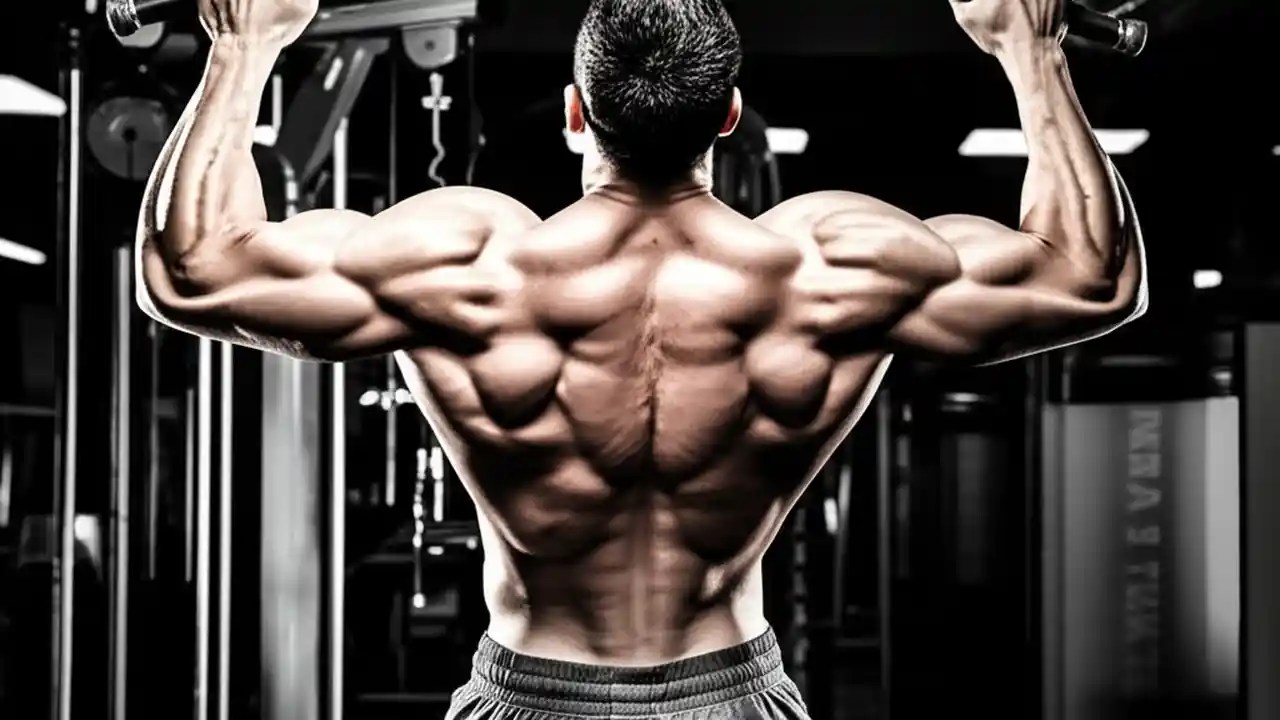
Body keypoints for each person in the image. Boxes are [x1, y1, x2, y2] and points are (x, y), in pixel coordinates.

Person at [134, 0, 1147, 717]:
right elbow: (1091, 278)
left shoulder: (470, 264)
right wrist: (1030, 49)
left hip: (530, 687)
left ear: (577, 111)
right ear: (729, 114)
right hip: (730, 691)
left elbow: (188, 274)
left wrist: (245, 45)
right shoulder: (827, 268)